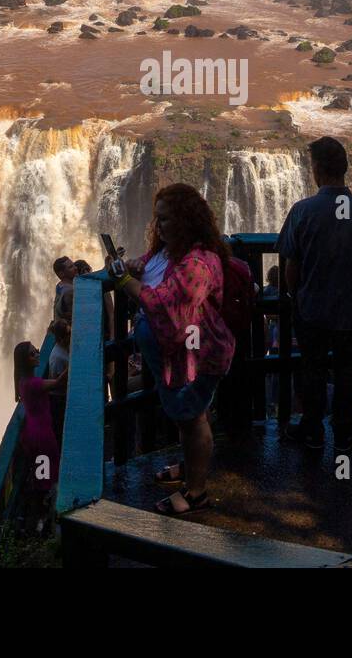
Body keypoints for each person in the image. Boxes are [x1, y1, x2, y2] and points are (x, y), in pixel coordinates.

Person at [110, 183, 236, 516]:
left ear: (185, 219)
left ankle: (197, 492)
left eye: (166, 219)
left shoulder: (198, 262)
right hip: (174, 359)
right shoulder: (167, 251)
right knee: (186, 416)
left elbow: (164, 303)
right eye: (157, 219)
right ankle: (189, 464)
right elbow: (152, 270)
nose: (159, 225)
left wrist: (124, 283)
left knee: (193, 419)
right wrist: (135, 267)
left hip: (198, 357)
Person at [278, 137, 352, 452]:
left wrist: (295, 296)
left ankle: (312, 429)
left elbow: (291, 264)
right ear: (345, 168)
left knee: (313, 370)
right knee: (347, 370)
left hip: (312, 308)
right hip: (350, 307)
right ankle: (345, 431)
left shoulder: (302, 211)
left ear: (318, 170)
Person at [13, 340, 68, 534]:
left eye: (36, 350)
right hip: (42, 438)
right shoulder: (33, 384)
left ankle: (37, 520)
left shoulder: (22, 383)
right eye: (32, 353)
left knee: (41, 478)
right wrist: (76, 355)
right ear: (25, 362)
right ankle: (43, 523)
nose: (37, 353)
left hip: (33, 434)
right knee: (45, 479)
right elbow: (59, 383)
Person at [46, 318, 72, 443]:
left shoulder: (63, 349)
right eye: (69, 334)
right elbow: (59, 382)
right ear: (61, 339)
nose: (72, 335)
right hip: (60, 400)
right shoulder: (57, 358)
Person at [52, 256, 75, 321]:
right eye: (71, 267)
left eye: (74, 265)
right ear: (61, 274)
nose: (75, 268)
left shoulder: (60, 285)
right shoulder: (69, 292)